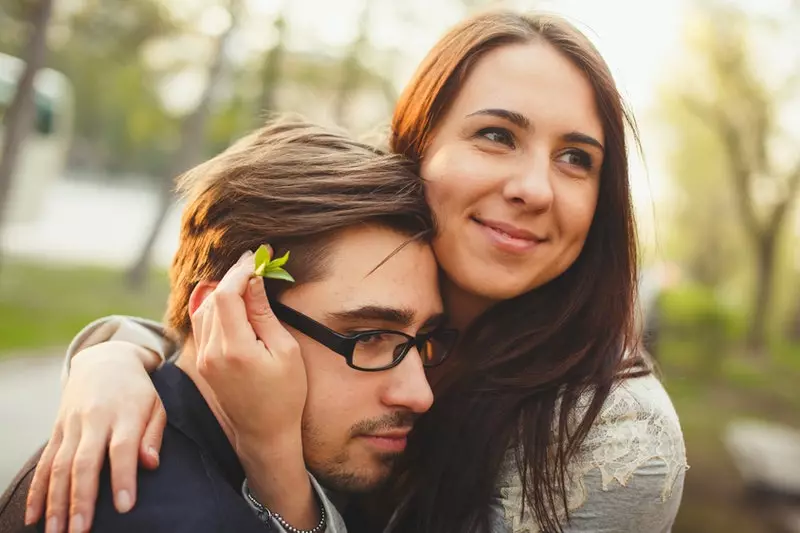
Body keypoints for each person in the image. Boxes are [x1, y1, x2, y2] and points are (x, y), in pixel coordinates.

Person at [23, 10, 688, 533]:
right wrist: (113, 357)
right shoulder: (381, 255)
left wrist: (279, 469)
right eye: (497, 135)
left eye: (576, 157)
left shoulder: (617, 441)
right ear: (415, 149)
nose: (535, 187)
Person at [0, 119, 458, 533]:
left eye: (425, 341)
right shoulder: (172, 518)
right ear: (229, 316)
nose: (419, 394)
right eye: (370, 337)